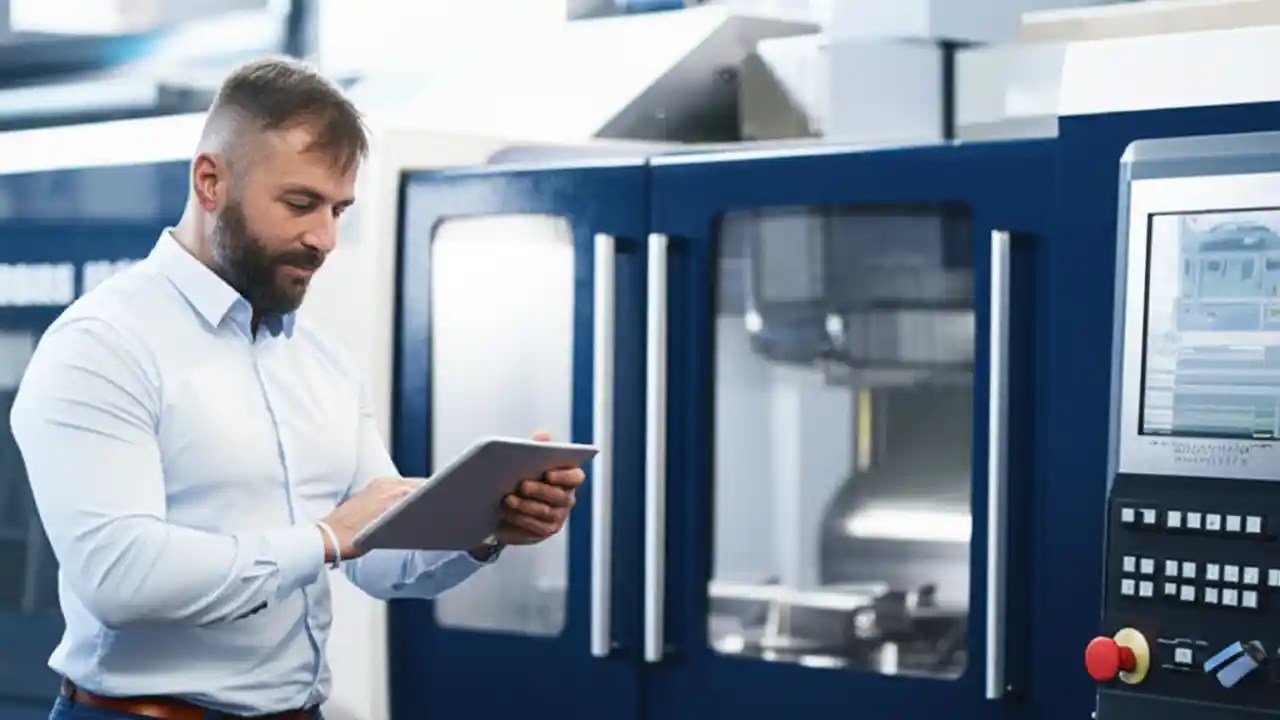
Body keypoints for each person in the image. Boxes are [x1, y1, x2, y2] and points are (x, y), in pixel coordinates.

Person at [8, 55, 585, 720]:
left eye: (340, 209)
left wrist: (485, 527)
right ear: (209, 181)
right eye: (301, 204)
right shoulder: (104, 344)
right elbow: (121, 579)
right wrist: (324, 537)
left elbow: (378, 555)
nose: (324, 238)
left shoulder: (323, 363)